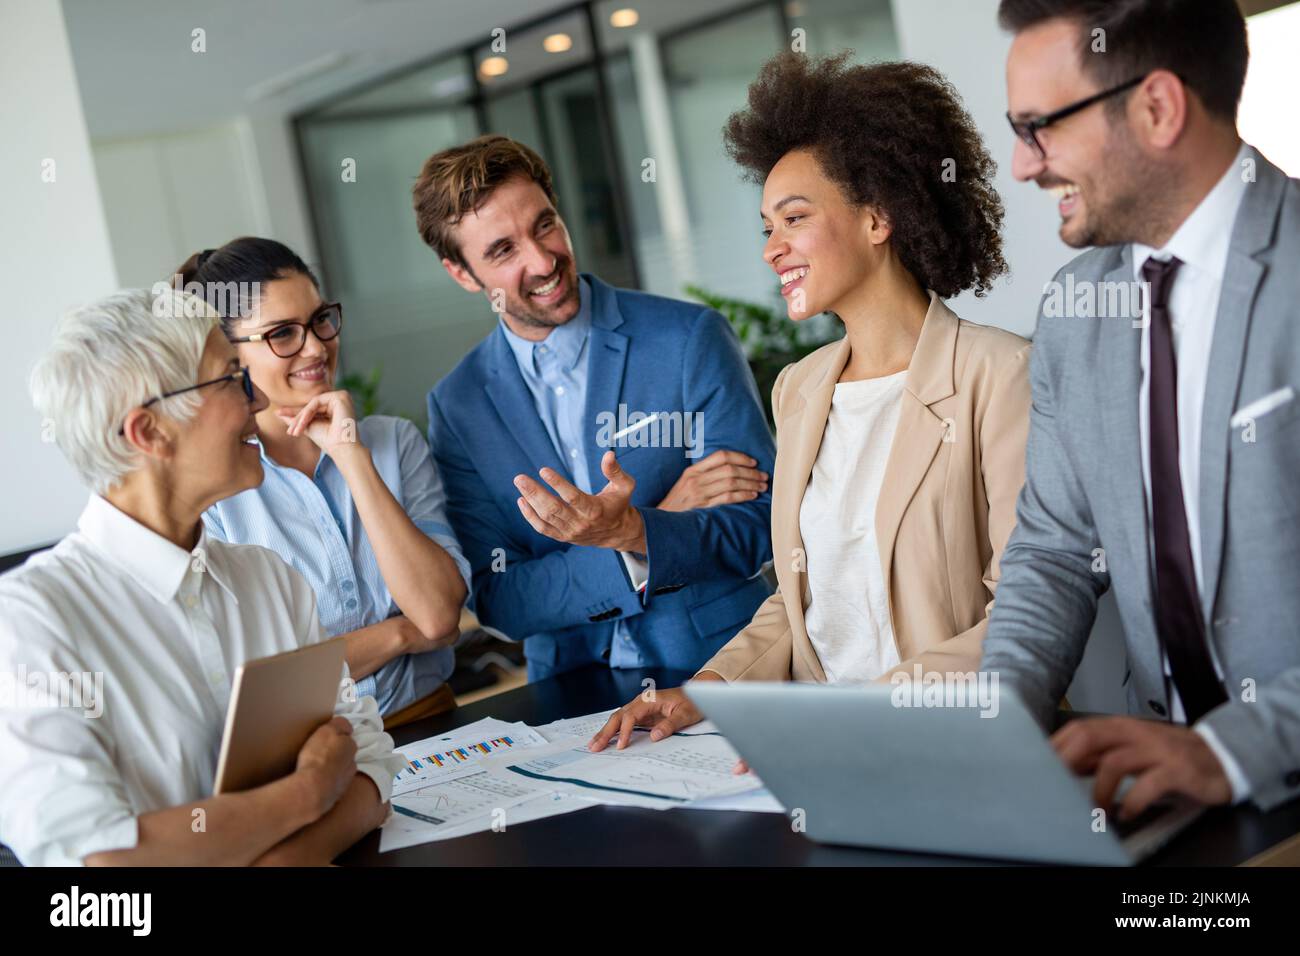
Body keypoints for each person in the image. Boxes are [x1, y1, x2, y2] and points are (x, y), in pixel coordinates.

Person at [592, 52, 1031, 751]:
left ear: (879, 216)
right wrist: (708, 691)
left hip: (957, 741)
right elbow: (805, 600)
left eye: (793, 219)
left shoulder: (999, 374)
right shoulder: (801, 388)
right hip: (833, 751)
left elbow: (1028, 613)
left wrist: (865, 718)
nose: (773, 249)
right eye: (767, 227)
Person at [982, 0, 1300, 819]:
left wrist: (1232, 751)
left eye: (1038, 127)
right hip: (1165, 802)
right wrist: (994, 721)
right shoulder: (1071, 309)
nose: (1023, 166)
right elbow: (1053, 550)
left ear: (1157, 108)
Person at [0, 289, 404, 866]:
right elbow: (103, 862)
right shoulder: (29, 622)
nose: (259, 396)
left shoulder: (270, 582)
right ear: (149, 432)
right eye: (233, 380)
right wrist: (306, 793)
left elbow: (370, 765)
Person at [417, 135, 776, 680]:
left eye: (544, 225)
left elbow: (762, 524)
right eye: (503, 250)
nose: (542, 260)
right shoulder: (457, 405)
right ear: (463, 274)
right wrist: (640, 532)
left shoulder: (686, 338)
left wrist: (633, 531)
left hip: (719, 668)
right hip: (569, 691)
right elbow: (500, 599)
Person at [187, 237, 470, 724]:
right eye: (282, 334)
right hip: (310, 752)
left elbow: (440, 614)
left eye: (320, 319)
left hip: (435, 725)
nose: (316, 346)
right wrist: (400, 634)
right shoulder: (216, 494)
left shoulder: (394, 444)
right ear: (228, 356)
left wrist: (350, 456)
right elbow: (258, 683)